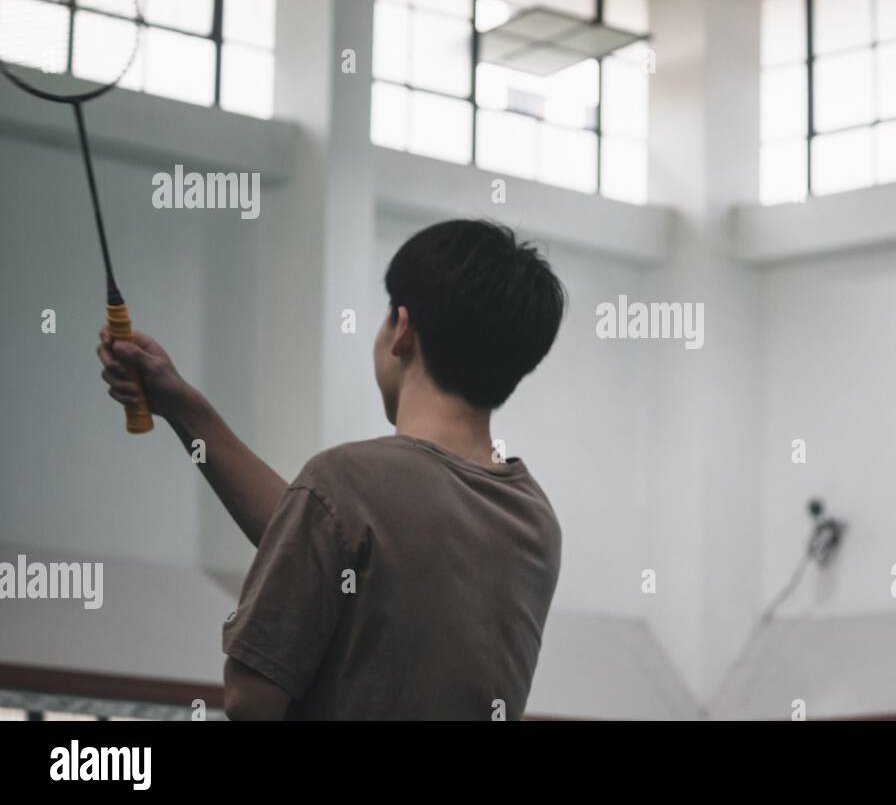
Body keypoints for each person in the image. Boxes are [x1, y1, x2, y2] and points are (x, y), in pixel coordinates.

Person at [95, 220, 566, 720]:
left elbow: (250, 698)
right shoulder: (533, 520)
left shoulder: (348, 482)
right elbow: (327, 537)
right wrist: (185, 408)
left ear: (402, 330)